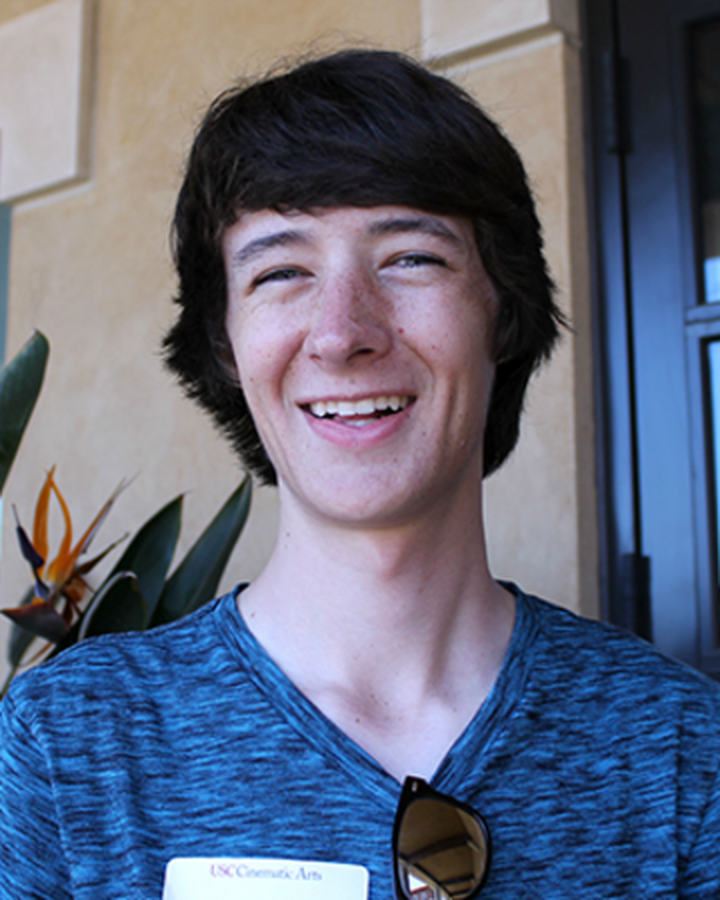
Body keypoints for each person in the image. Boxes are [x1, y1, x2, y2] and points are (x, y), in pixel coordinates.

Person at [1, 48, 719, 900]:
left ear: (502, 312)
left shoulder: (684, 751)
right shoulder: (64, 748)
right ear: (226, 346)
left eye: (411, 258)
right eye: (281, 272)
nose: (342, 333)